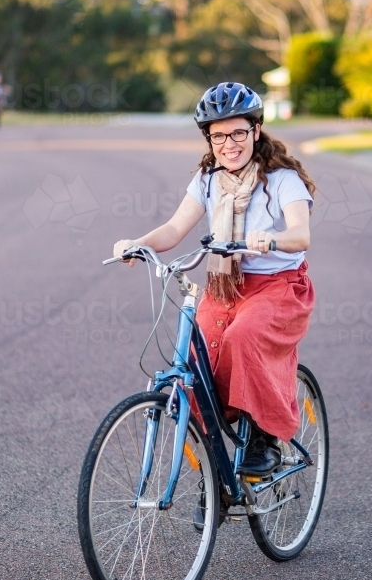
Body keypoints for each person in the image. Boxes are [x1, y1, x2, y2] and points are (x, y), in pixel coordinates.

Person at [112, 82, 316, 476]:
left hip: (278, 287)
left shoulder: (281, 178)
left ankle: (263, 438)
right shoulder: (208, 179)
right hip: (226, 288)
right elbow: (174, 229)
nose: (229, 144)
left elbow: (300, 235)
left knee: (243, 338)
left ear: (256, 131)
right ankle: (216, 472)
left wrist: (270, 239)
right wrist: (137, 243)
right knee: (195, 358)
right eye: (218, 135)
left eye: (238, 132)